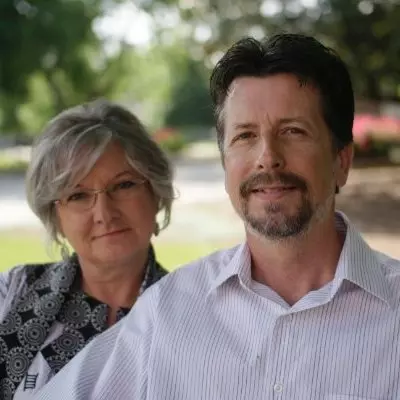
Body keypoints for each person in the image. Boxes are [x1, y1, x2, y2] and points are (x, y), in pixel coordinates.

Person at [35, 33, 400, 400]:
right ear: (226, 164)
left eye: (293, 131)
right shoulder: (166, 312)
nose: (267, 157)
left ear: (342, 161)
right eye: (245, 136)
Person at [0, 100, 174, 399]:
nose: (104, 213)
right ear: (56, 216)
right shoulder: (11, 293)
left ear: (155, 193)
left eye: (123, 186)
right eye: (78, 195)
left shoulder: (190, 314)